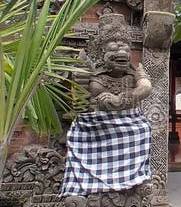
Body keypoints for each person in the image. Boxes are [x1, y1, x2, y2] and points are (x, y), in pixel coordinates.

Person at [61, 38, 153, 196]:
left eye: (126, 49)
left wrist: (120, 100)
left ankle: (132, 177)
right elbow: (81, 102)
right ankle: (90, 181)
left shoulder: (135, 73)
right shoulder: (94, 75)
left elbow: (146, 87)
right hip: (97, 125)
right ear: (102, 54)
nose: (122, 52)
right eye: (115, 49)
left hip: (128, 125)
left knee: (143, 129)